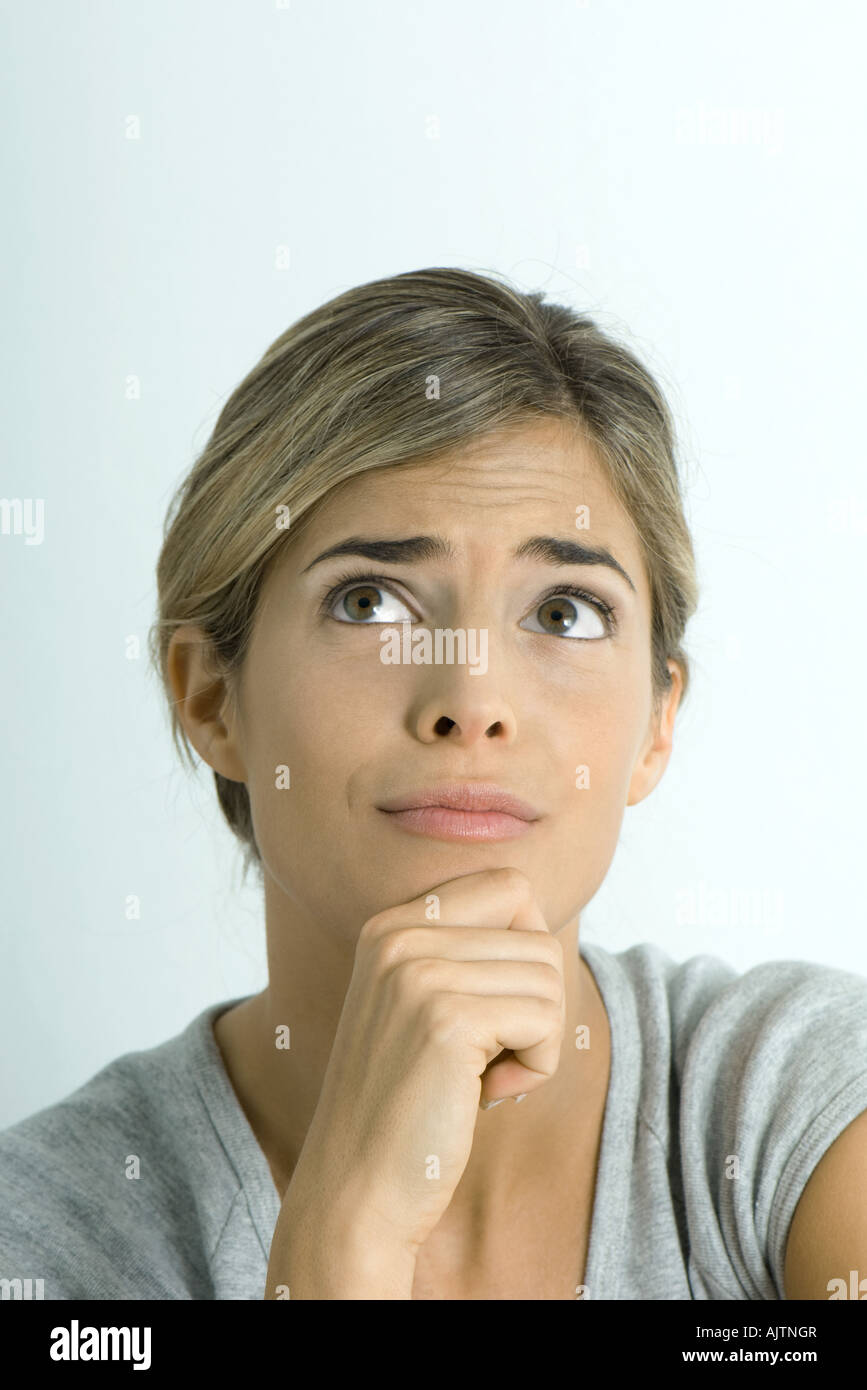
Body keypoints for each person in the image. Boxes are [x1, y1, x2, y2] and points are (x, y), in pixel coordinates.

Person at [2, 267, 866, 1301]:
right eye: (370, 601)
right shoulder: (43, 1242)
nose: (473, 700)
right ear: (212, 696)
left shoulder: (799, 1103)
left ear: (656, 723)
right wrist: (347, 1233)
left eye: (563, 612)